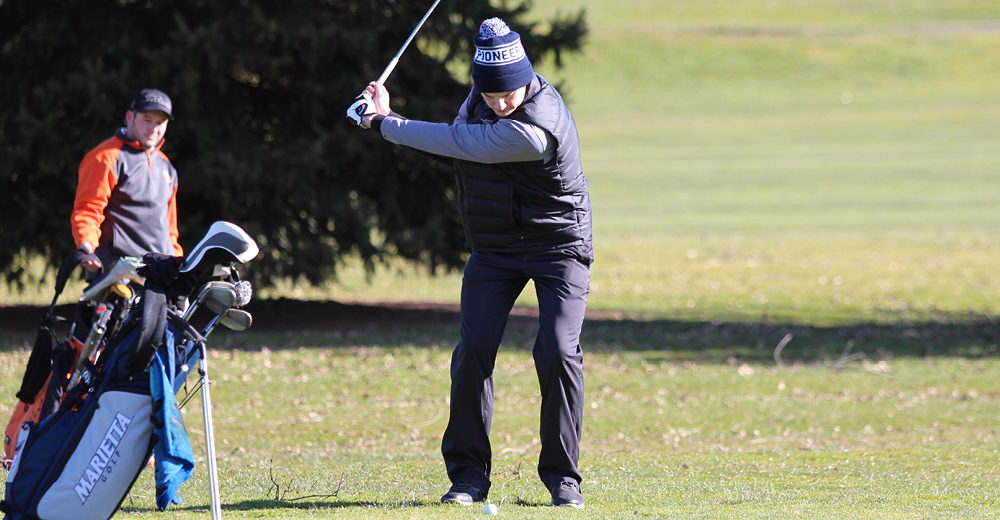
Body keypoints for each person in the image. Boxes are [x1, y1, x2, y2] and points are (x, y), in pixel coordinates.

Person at [349, 18, 593, 509]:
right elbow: (457, 145)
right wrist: (390, 115)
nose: (500, 103)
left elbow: (464, 144)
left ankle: (563, 479)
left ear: (527, 78)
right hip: (496, 249)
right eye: (490, 94)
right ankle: (467, 477)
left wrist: (382, 123)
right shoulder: (477, 102)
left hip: (558, 246)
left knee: (557, 351)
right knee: (474, 349)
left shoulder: (538, 125)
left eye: (509, 93)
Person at [72, 88, 183, 276]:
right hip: (116, 271)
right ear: (130, 116)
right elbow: (89, 209)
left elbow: (170, 228)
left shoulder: (166, 166)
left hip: (160, 273)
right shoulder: (105, 157)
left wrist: (177, 261)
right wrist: (86, 245)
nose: (153, 128)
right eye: (147, 120)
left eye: (160, 122)